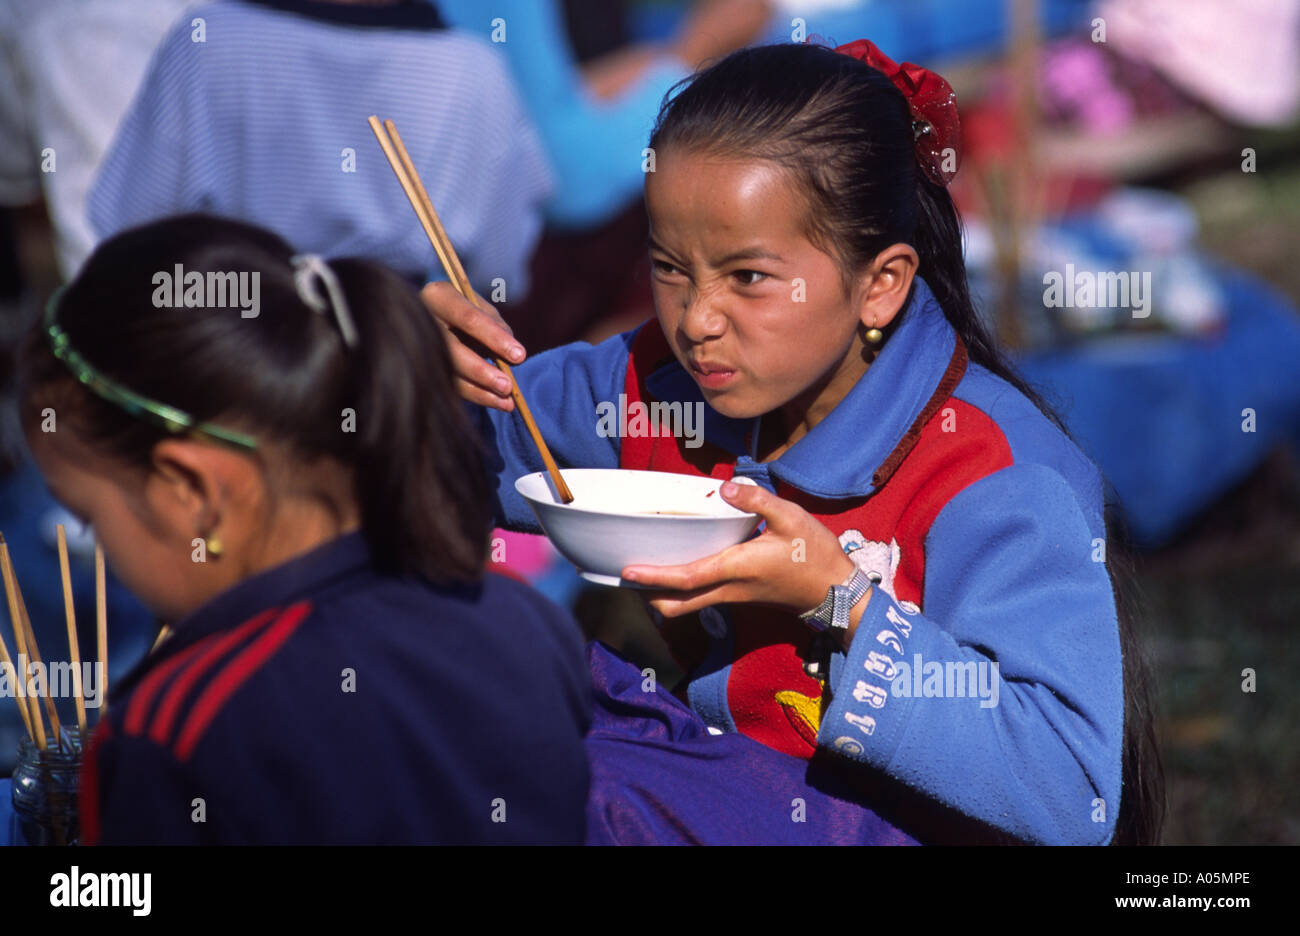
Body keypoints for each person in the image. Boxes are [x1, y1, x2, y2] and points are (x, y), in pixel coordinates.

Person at [424, 40, 1163, 845]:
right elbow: (445, 448)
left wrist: (839, 599)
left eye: (747, 278)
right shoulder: (659, 391)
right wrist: (402, 367)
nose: (697, 319)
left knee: (593, 790)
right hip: (731, 789)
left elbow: (1073, 793)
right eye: (670, 267)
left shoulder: (989, 470)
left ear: (879, 284)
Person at [17, 215, 590, 844]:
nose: (102, 546)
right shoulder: (524, 624)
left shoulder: (176, 726)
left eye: (93, 516)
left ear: (193, 490)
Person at [87, 0, 551, 294]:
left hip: (232, 342)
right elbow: (498, 274)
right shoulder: (475, 70)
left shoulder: (210, 39)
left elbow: (129, 227)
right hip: (397, 371)